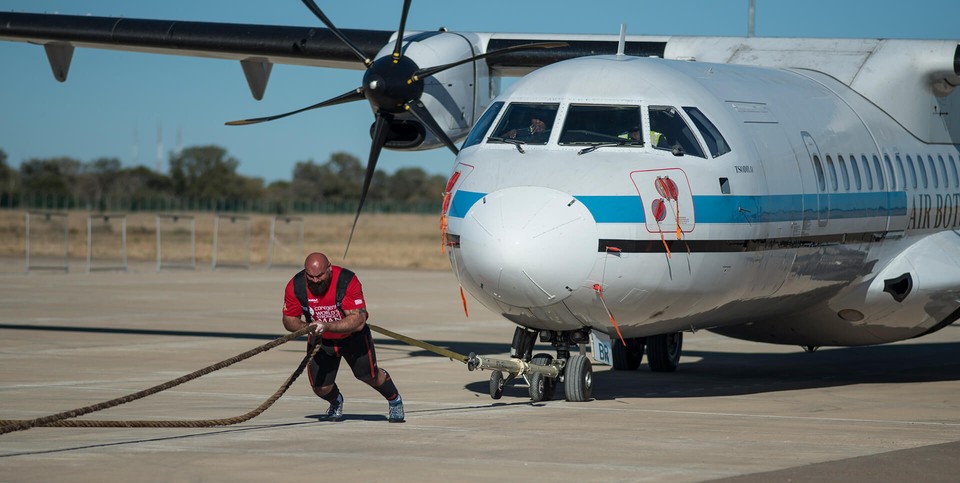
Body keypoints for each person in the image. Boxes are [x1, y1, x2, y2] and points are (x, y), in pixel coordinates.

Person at [282, 252, 405, 423]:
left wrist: (328, 326)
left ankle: (394, 399)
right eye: (311, 276)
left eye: (320, 276)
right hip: (321, 340)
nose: (315, 280)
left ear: (329, 269)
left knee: (369, 376)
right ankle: (335, 401)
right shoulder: (296, 286)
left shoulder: (346, 281)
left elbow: (358, 320)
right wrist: (308, 328)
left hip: (352, 336)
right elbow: (289, 320)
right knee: (320, 388)